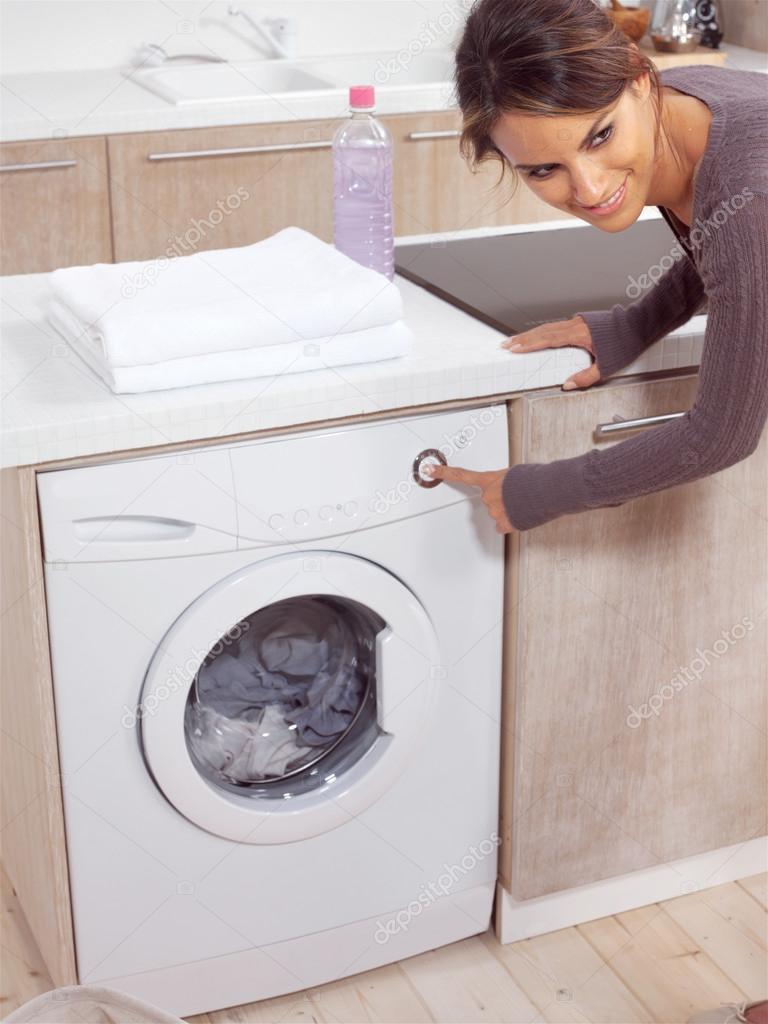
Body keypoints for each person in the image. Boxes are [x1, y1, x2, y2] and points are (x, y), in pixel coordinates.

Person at [423, 0, 767, 549]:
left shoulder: (747, 187)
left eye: (600, 136)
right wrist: (633, 325)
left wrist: (539, 491)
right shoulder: (686, 101)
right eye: (543, 169)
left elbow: (721, 435)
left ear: (636, 75)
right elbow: (732, 247)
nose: (589, 189)